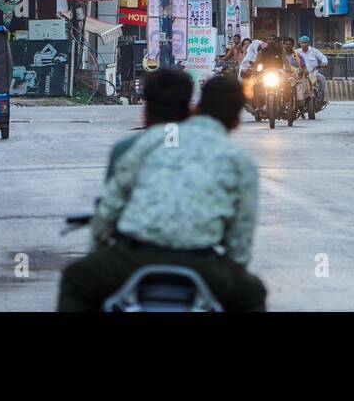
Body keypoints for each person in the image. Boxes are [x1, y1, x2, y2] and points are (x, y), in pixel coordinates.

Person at [58, 68, 266, 312]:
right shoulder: (240, 160)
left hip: (135, 256)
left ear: (196, 108)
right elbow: (241, 233)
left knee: (75, 279)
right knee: (253, 294)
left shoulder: (155, 140)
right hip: (201, 261)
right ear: (236, 120)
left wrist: (99, 251)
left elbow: (110, 206)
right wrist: (232, 270)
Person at [105, 67, 193, 179]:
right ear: (191, 112)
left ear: (145, 114)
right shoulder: (209, 149)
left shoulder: (125, 150)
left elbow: (113, 194)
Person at [296, 36, 329, 105]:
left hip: (313, 73)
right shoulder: (296, 52)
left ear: (308, 43)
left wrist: (324, 63)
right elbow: (290, 60)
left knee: (322, 78)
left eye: (306, 43)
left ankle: (320, 96)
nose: (304, 44)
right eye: (303, 43)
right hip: (300, 74)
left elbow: (323, 57)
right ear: (300, 43)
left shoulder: (314, 51)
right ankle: (293, 98)